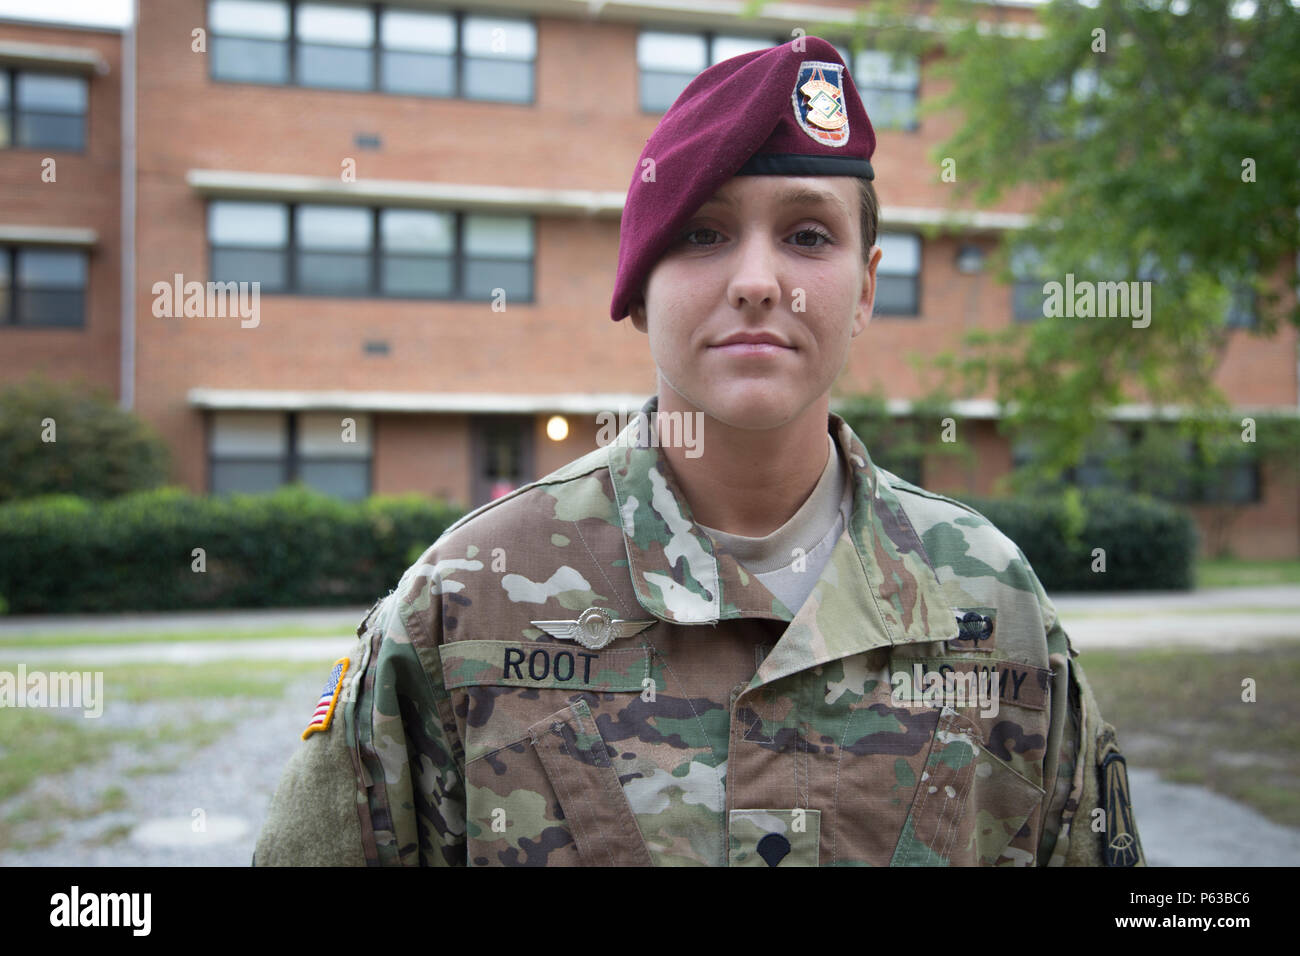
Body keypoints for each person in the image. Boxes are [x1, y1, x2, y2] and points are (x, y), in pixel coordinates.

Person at [254, 36, 1144, 867]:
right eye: (704, 234)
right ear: (639, 287)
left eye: (807, 234)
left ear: (866, 288)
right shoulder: (464, 601)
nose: (758, 282)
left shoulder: (994, 603)